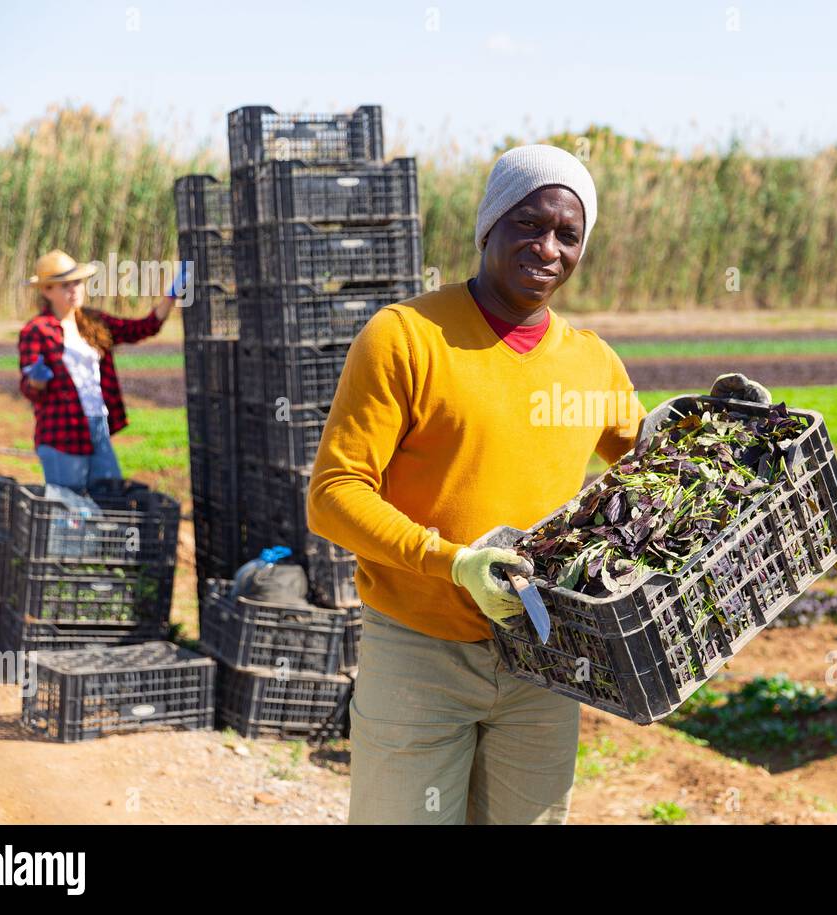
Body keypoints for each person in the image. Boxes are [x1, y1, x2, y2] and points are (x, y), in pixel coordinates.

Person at [308, 144, 770, 824]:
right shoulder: (406, 337)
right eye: (529, 223)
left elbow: (654, 468)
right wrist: (455, 563)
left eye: (567, 233)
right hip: (419, 651)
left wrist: (717, 426)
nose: (547, 246)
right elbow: (334, 495)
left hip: (545, 658)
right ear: (489, 225)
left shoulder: (591, 363)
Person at [18, 249, 178, 491]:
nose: (74, 290)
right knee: (70, 508)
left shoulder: (93, 321)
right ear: (46, 291)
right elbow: (31, 390)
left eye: (77, 283)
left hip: (97, 425)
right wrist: (37, 380)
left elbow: (142, 327)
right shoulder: (37, 330)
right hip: (63, 432)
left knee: (109, 495)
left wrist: (172, 296)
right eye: (64, 285)